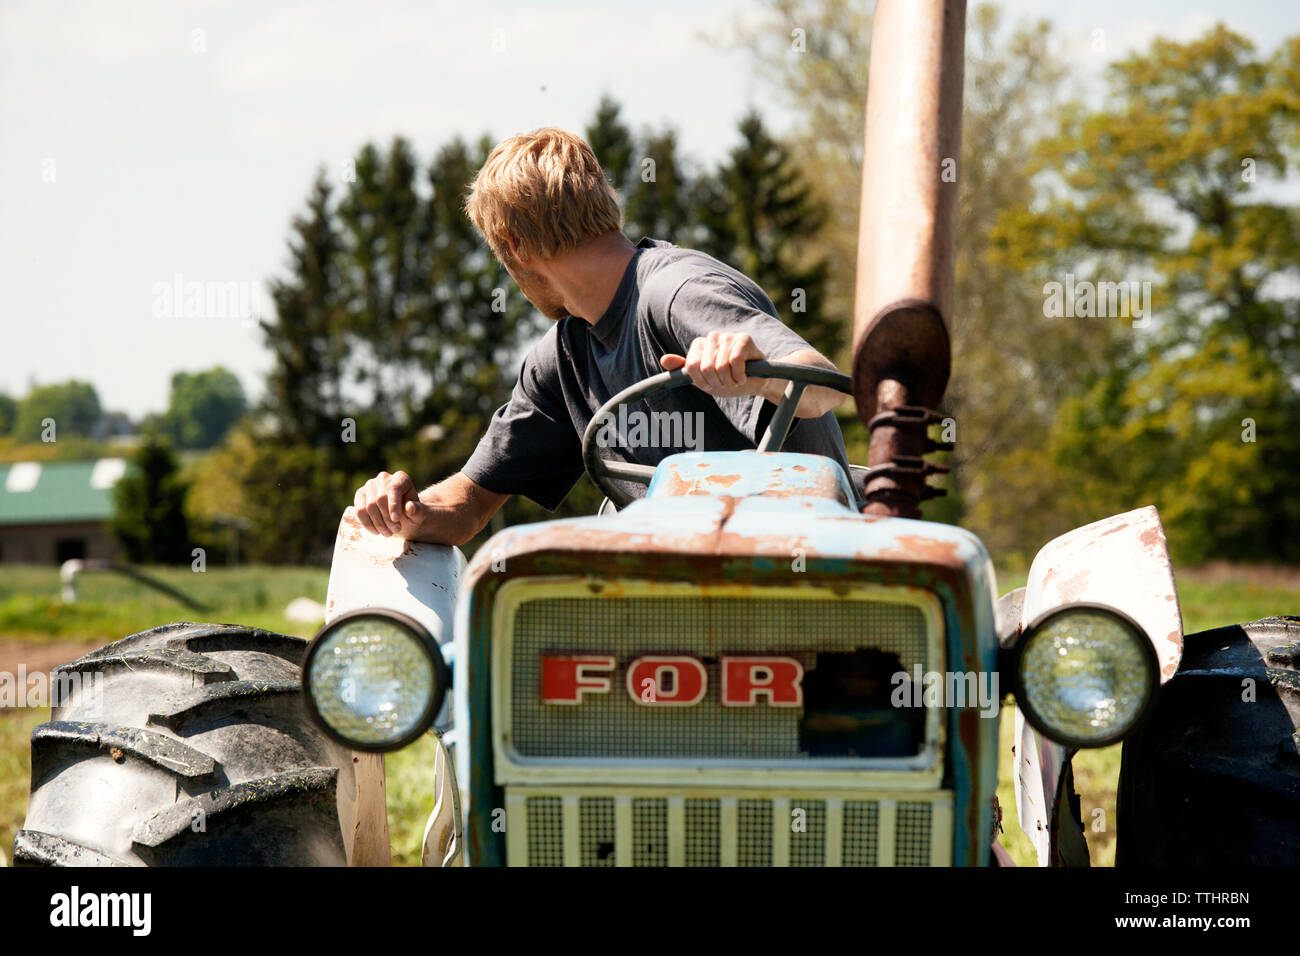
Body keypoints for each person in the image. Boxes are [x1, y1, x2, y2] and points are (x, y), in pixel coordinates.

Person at [353, 127, 850, 544]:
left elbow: (822, 385)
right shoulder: (563, 359)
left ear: (514, 247)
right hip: (671, 598)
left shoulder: (676, 293)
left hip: (795, 572)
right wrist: (406, 508)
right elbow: (470, 504)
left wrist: (756, 366)